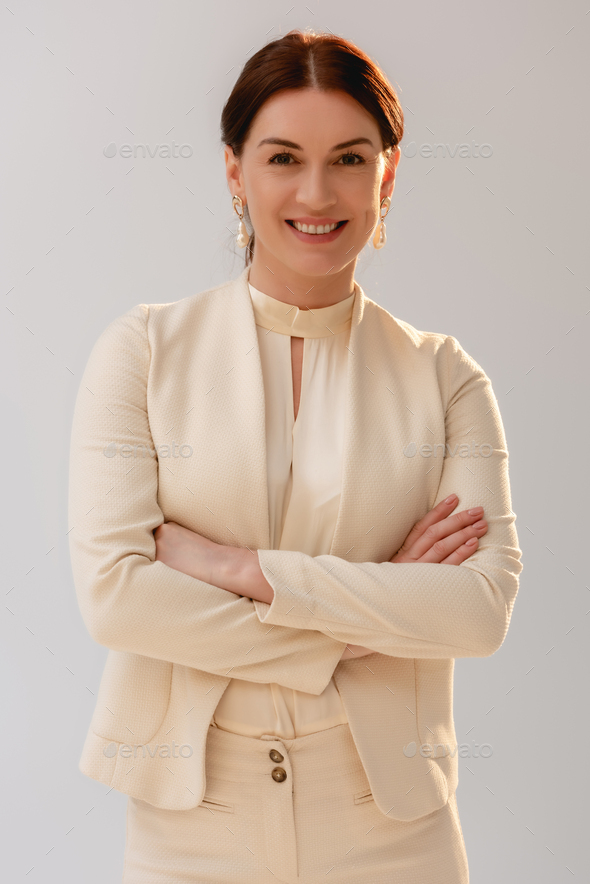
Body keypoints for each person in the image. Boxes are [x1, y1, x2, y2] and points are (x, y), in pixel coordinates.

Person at [68, 29, 523, 884]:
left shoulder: (447, 377)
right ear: (235, 172)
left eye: (350, 158)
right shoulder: (142, 351)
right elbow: (118, 598)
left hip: (393, 834)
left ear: (388, 174)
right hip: (191, 827)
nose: (318, 192)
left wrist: (233, 566)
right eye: (284, 157)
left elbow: (475, 611)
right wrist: (358, 627)